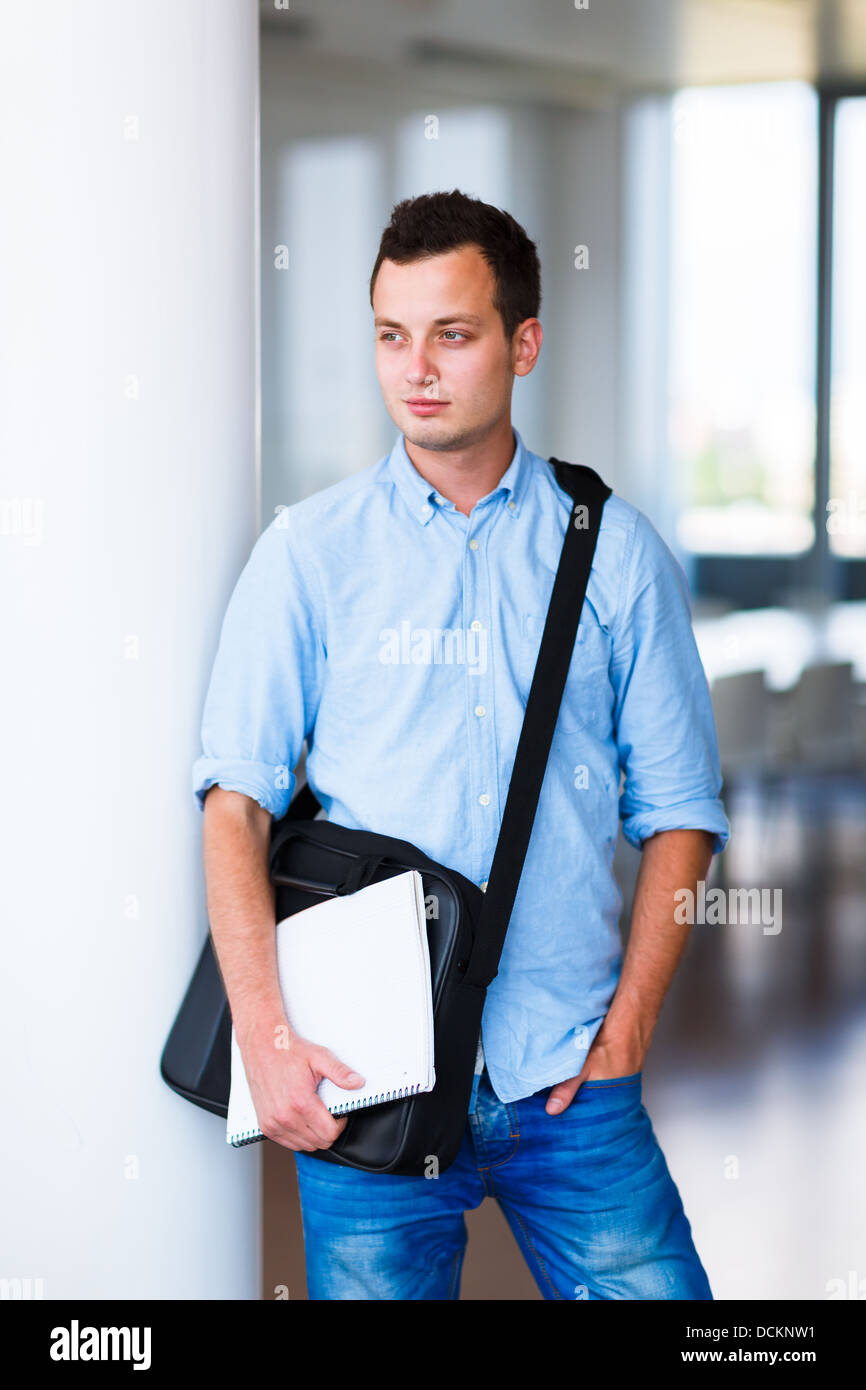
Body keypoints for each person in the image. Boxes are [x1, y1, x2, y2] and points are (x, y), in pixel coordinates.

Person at [192, 189, 730, 1301]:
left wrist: (626, 1029)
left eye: (452, 332)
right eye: (392, 335)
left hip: (567, 1082)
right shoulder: (309, 554)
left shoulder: (616, 556)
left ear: (521, 343)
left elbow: (682, 814)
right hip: (364, 1084)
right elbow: (233, 803)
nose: (415, 368)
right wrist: (267, 1035)